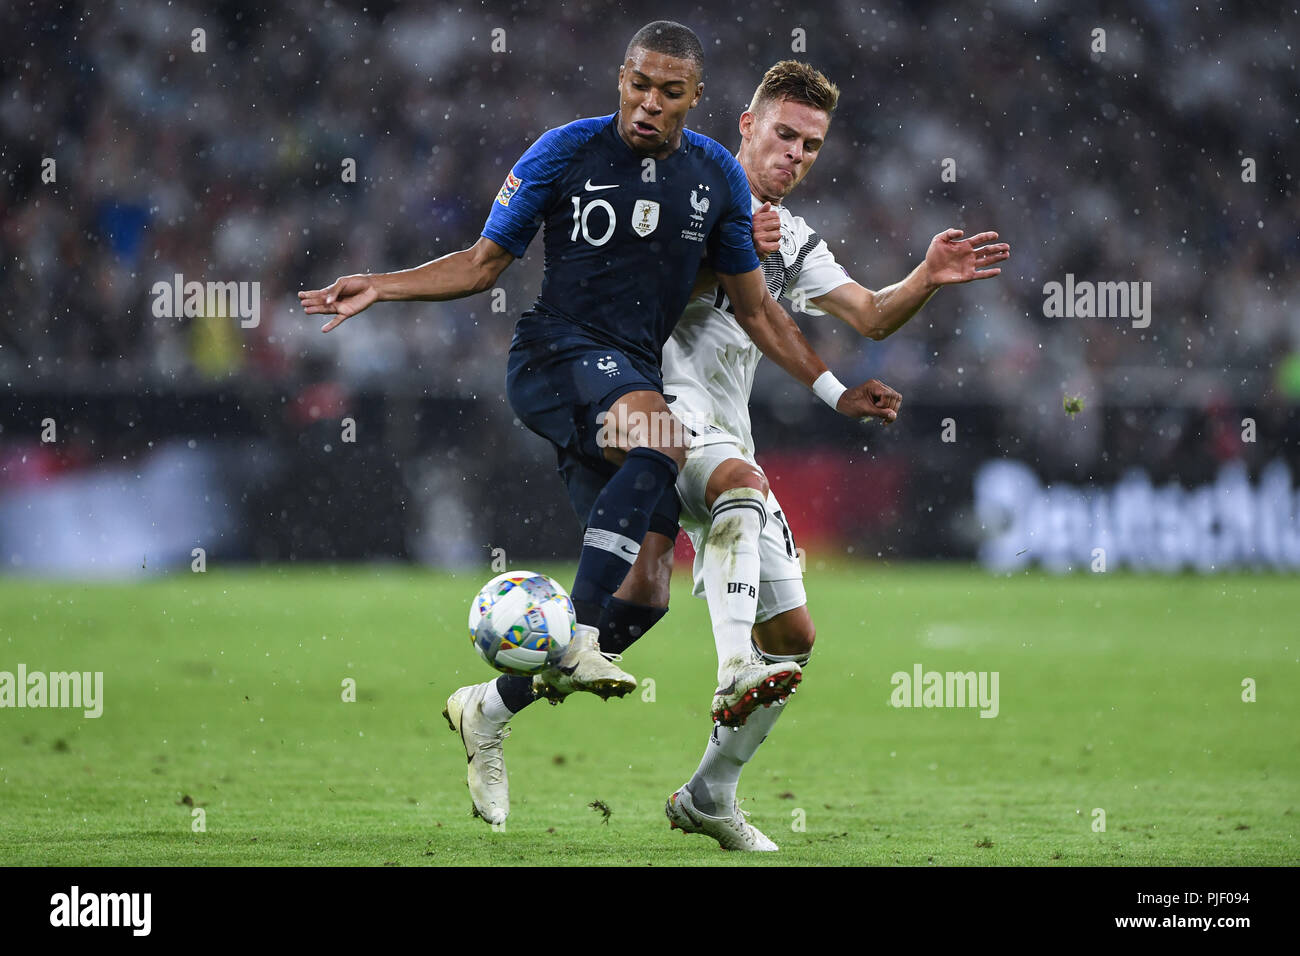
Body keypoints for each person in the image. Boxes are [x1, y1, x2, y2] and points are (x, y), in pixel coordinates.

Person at [298, 24, 897, 827]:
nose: (650, 103)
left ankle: (489, 708)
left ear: (696, 100)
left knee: (646, 595)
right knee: (661, 437)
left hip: (630, 382)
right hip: (556, 357)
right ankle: (579, 638)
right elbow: (483, 263)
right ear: (621, 77)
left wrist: (831, 385)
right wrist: (382, 283)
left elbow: (754, 307)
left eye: (670, 91)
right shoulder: (566, 151)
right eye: (638, 83)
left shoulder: (715, 176)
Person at [655, 60, 1011, 850]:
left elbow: (872, 316)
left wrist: (927, 275)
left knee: (796, 639)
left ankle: (709, 794)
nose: (795, 155)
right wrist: (728, 248)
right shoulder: (681, 191)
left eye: (811, 145)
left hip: (725, 429)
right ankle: (729, 670)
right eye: (784, 135)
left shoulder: (794, 236)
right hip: (654, 412)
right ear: (745, 126)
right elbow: (639, 295)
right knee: (738, 490)